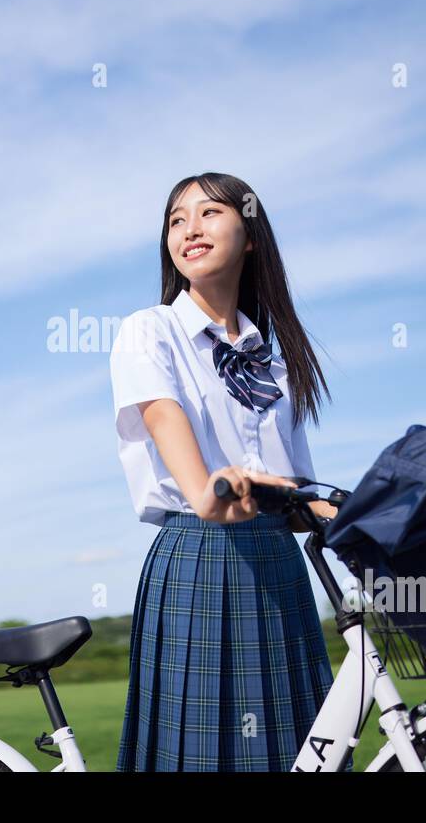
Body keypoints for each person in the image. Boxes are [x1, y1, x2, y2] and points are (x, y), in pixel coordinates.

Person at [109, 171, 354, 772]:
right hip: (199, 557)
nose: (190, 229)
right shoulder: (151, 330)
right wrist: (209, 491)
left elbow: (291, 492)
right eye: (176, 219)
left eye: (209, 213)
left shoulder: (277, 356)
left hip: (277, 566)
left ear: (250, 237)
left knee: (292, 752)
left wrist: (357, 509)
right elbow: (167, 421)